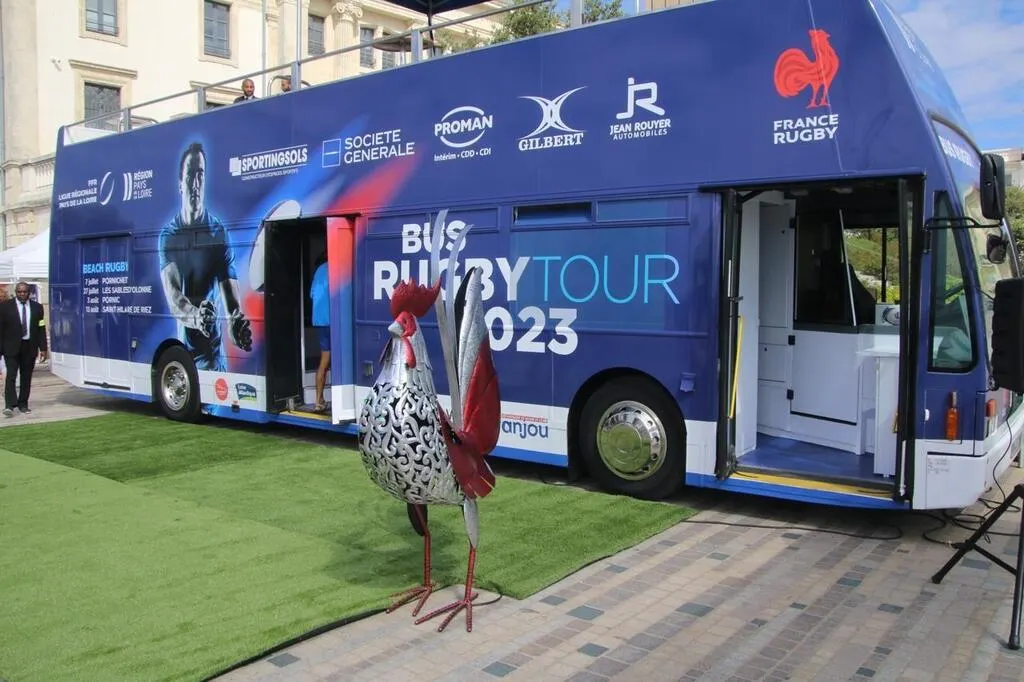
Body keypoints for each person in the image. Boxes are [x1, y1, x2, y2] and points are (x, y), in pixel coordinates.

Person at [159, 141, 252, 371]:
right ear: (180, 184)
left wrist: (234, 322)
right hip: (187, 349)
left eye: (200, 174)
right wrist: (195, 317)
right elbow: (174, 298)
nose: (196, 183)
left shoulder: (218, 232)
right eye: (190, 175)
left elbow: (231, 298)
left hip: (216, 354)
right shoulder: (168, 236)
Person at [0, 281, 48, 416]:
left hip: (29, 346)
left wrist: (43, 347)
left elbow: (41, 327)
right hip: (11, 347)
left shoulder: (37, 307)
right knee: (11, 375)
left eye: (25, 292)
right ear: (16, 292)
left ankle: (23, 404)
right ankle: (9, 405)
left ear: (29, 292)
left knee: (26, 377)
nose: (22, 294)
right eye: (19, 292)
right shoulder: (5, 307)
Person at [310, 253, 330, 412]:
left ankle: (319, 400)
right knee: (335, 361)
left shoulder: (319, 271)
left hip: (319, 321)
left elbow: (312, 295)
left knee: (324, 361)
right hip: (334, 321)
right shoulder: (338, 269)